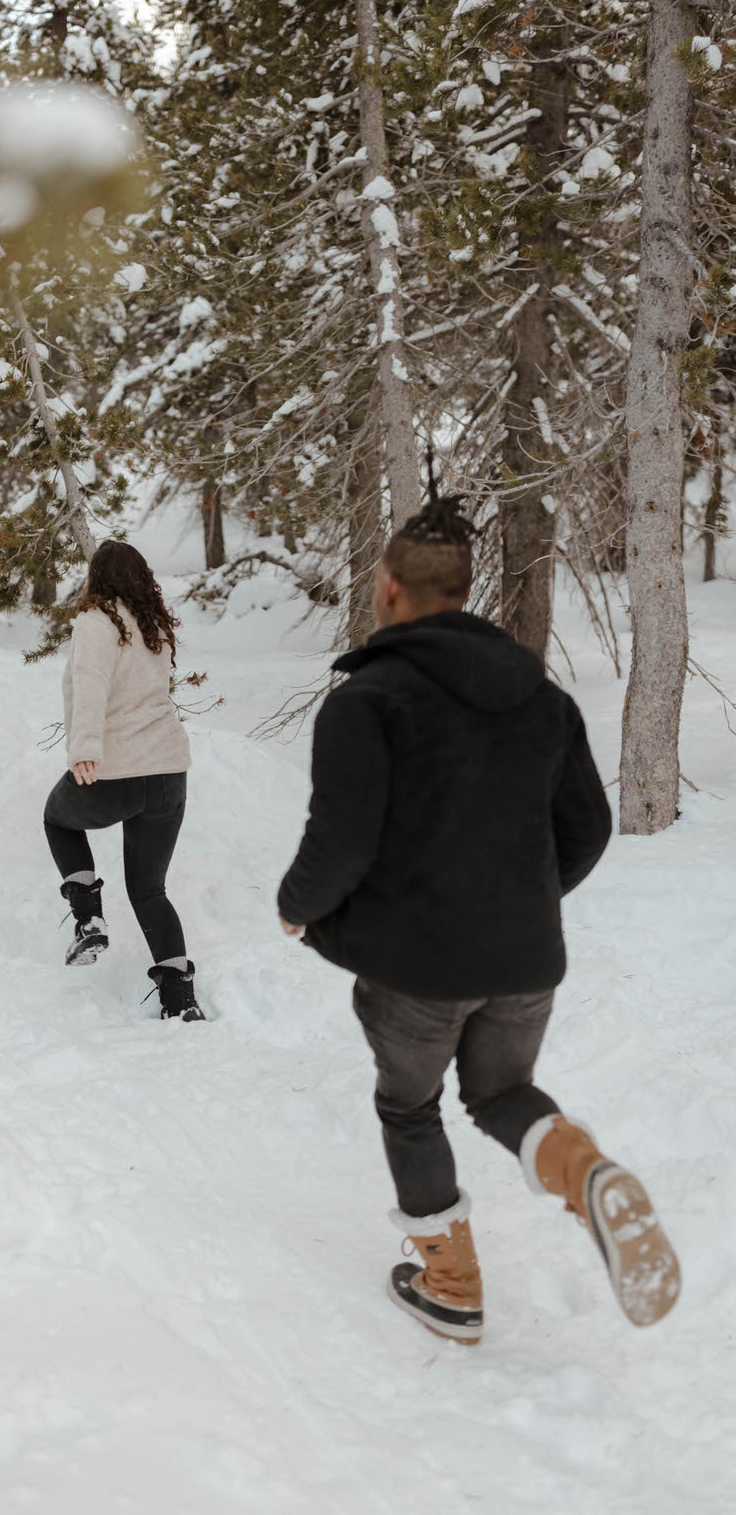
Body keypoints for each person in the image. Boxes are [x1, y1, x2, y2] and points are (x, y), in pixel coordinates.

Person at [277, 481, 680, 1343]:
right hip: (523, 957)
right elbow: (587, 826)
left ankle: (452, 1284)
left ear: (387, 587)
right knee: (502, 1090)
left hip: (416, 970)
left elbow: (340, 843)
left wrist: (296, 910)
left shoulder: (368, 701)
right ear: (463, 594)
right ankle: (584, 1174)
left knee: (409, 1108)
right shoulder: (543, 699)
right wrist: (521, 903)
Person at [43, 539, 204, 1023]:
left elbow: (91, 685)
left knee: (58, 819)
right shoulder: (152, 625)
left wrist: (85, 749)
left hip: (119, 767)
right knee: (150, 889)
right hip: (168, 772)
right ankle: (180, 1001)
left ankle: (89, 917)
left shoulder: (96, 623)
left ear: (97, 578)